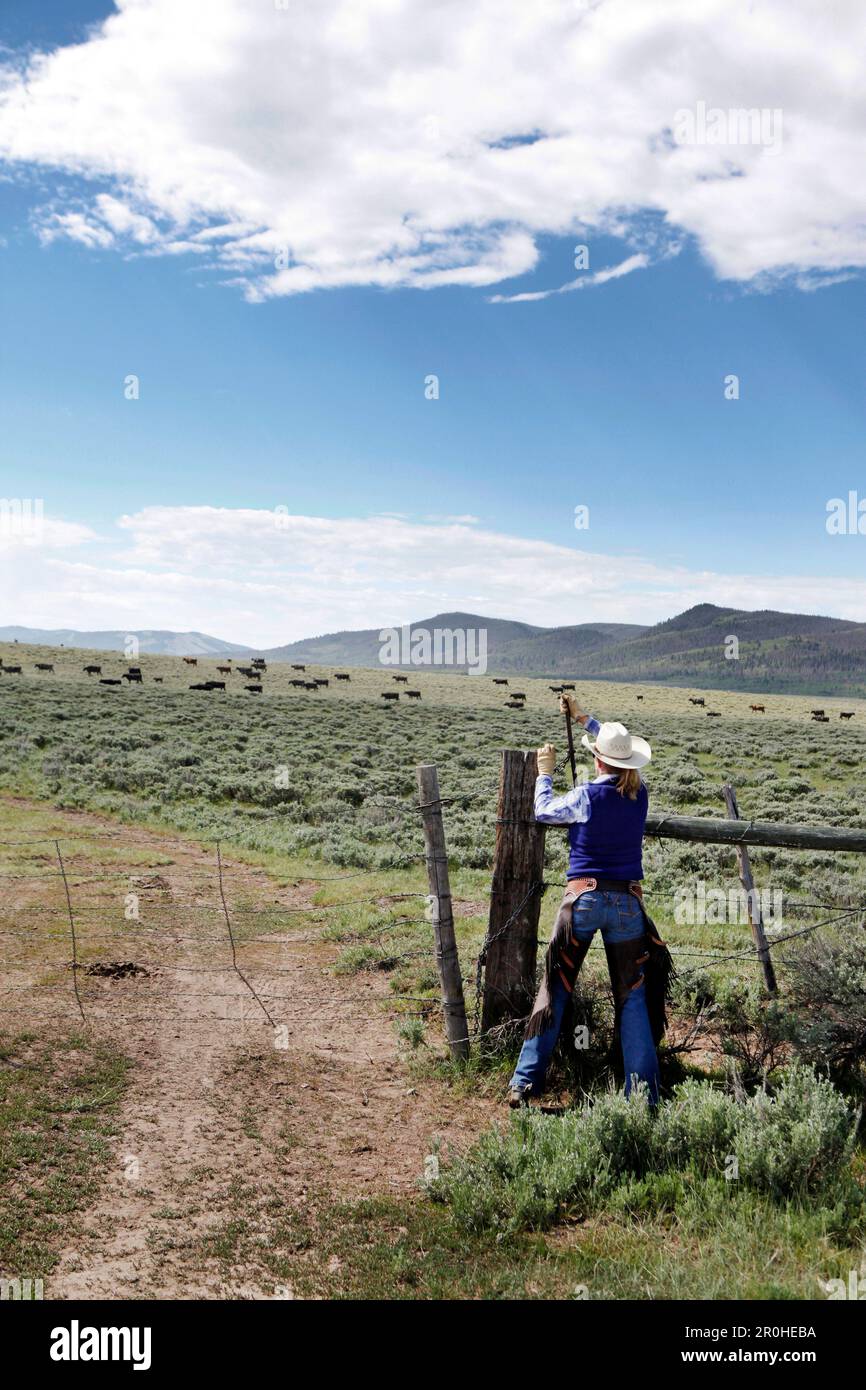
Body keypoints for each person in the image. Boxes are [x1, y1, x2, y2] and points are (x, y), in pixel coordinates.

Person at [507, 695, 672, 1108]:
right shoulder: (640, 794)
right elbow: (616, 758)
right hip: (628, 904)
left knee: (556, 987)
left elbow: (543, 811)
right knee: (632, 998)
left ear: (597, 762)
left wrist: (544, 774)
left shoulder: (584, 797)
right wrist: (585, 720)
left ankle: (526, 1083)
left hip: (581, 899)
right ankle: (644, 1098)